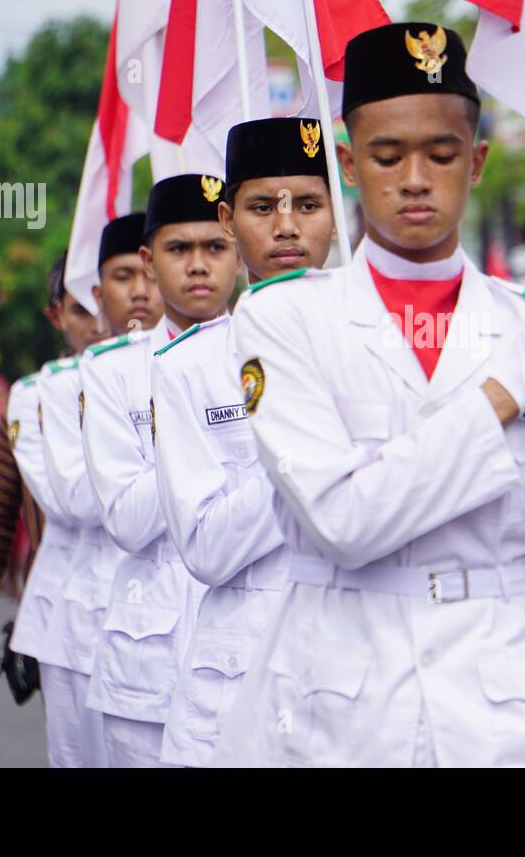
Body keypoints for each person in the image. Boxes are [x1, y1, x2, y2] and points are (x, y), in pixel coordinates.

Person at [215, 22, 525, 768]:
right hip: (339, 715)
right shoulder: (283, 320)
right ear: (347, 162)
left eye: (441, 155)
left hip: (508, 720)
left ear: (475, 163)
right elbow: (345, 519)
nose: (415, 177)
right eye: (387, 155)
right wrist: (503, 393)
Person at [153, 116, 336, 767]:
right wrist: (303, 457)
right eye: (263, 206)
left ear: (337, 212)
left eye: (309, 204)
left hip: (355, 678)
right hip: (237, 685)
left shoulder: (382, 347)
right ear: (229, 220)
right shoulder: (188, 369)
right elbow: (205, 545)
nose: (287, 226)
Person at [0, 231, 152, 710]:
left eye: (108, 299)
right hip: (71, 622)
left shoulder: (171, 374)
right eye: (81, 309)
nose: (99, 323)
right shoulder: (33, 399)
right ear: (56, 314)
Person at [79, 176, 232, 767]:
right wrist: (221, 462)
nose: (198, 265)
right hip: (151, 662)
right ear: (148, 259)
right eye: (178, 249)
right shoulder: (112, 370)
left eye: (214, 247)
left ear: (238, 247)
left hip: (247, 652)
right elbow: (126, 517)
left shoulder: (265, 352)